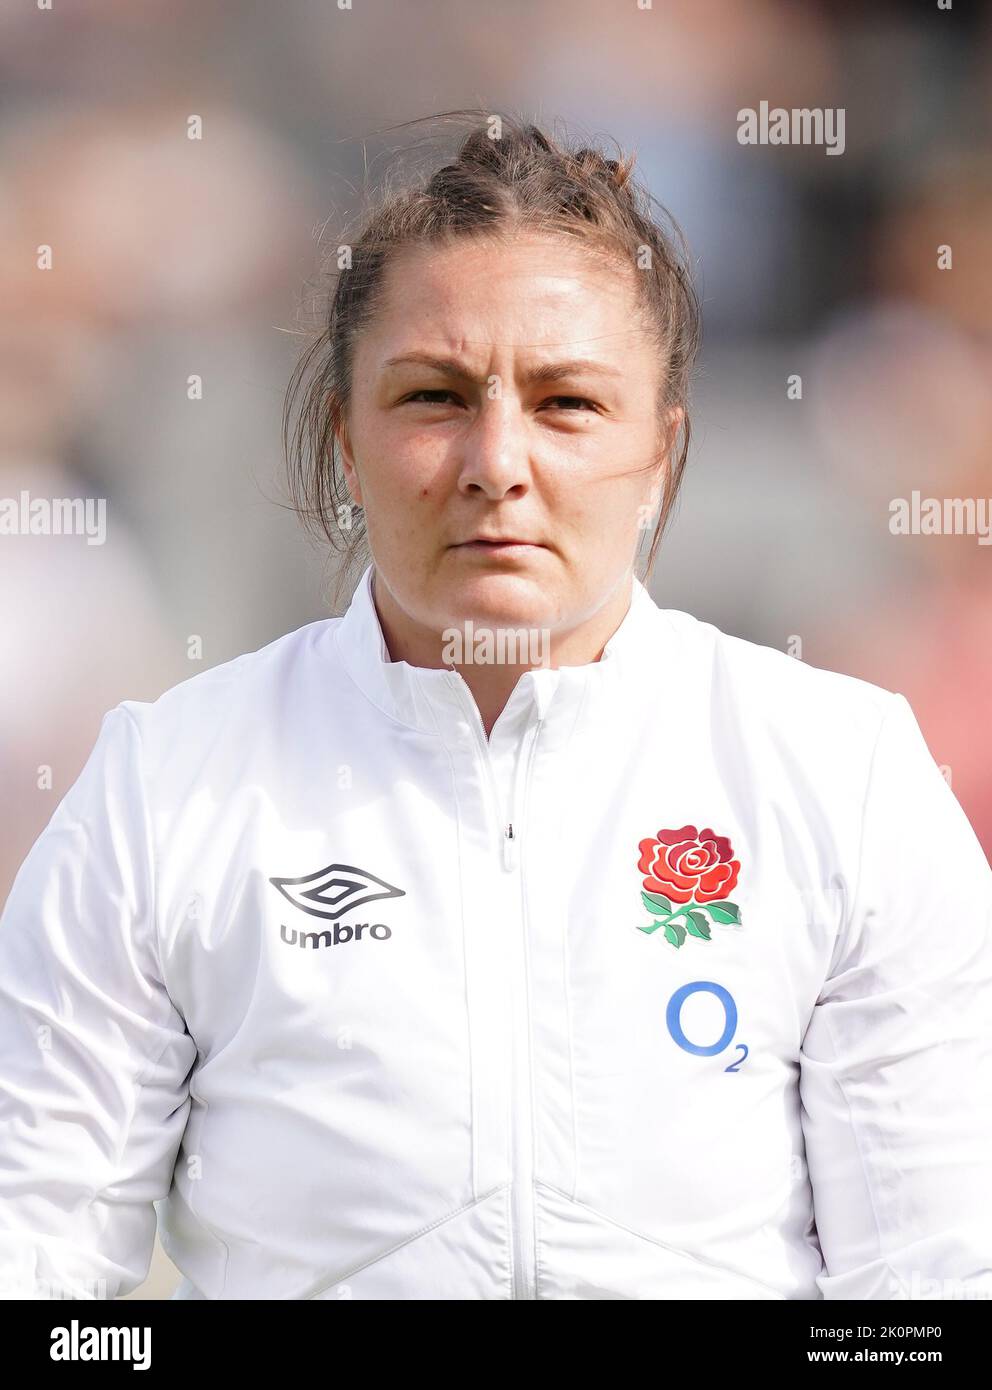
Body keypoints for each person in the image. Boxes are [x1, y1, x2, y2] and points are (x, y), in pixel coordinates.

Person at [1, 113, 990, 1302]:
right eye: (432, 396)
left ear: (661, 453)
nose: (496, 461)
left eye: (567, 402)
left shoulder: (844, 774)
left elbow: (931, 1285)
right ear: (343, 440)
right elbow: (41, 1271)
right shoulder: (163, 787)